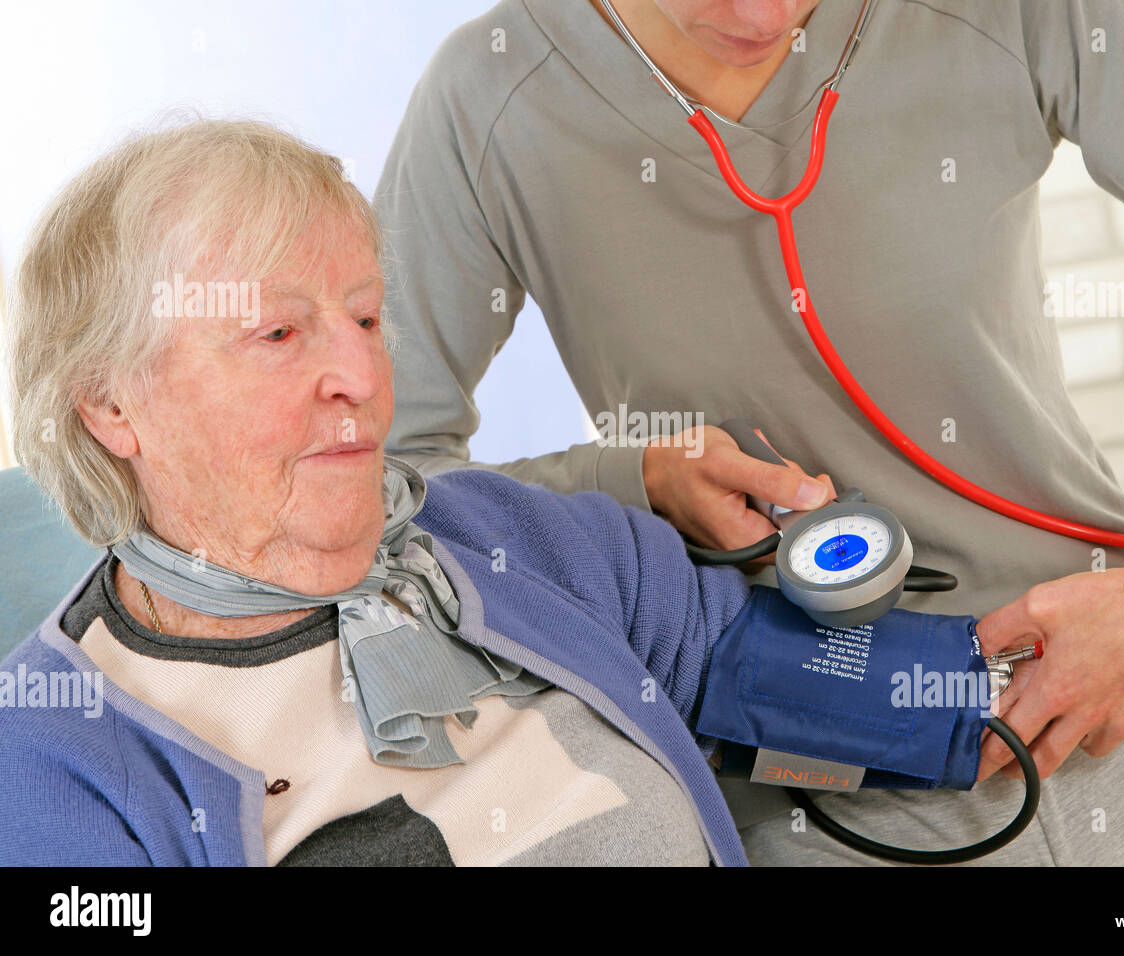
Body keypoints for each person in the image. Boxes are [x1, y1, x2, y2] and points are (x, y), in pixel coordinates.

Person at [374, 0, 1124, 864]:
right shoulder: (488, 97)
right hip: (820, 793)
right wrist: (633, 482)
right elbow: (381, 483)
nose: (764, 17)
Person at [0, 118, 824, 866]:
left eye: (365, 320)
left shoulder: (512, 537)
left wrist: (947, 694)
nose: (362, 376)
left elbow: (794, 689)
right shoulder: (49, 756)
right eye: (278, 334)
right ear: (112, 404)